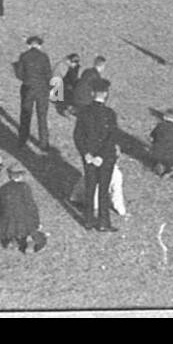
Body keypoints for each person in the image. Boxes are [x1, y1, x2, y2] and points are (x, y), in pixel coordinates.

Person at [73, 79, 119, 232]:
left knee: (90, 187)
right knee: (103, 189)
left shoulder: (83, 112)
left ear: (92, 93)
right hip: (105, 158)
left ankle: (88, 220)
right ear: (105, 94)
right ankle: (103, 222)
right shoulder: (110, 114)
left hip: (89, 157)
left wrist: (86, 153)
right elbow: (111, 138)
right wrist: (101, 156)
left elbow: (78, 135)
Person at [0, 166, 47, 253]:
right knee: (40, 237)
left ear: (9, 175)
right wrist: (37, 223)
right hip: (23, 223)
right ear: (21, 175)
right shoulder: (24, 187)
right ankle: (30, 241)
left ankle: (13, 240)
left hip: (6, 225)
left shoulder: (3, 188)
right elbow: (31, 206)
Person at [15, 35, 52, 151]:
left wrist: (27, 79)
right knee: (42, 116)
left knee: (25, 115)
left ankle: (22, 141)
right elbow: (48, 74)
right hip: (42, 89)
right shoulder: (44, 57)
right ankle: (44, 143)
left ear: (29, 45)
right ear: (39, 45)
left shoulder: (24, 56)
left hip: (28, 88)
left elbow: (19, 74)